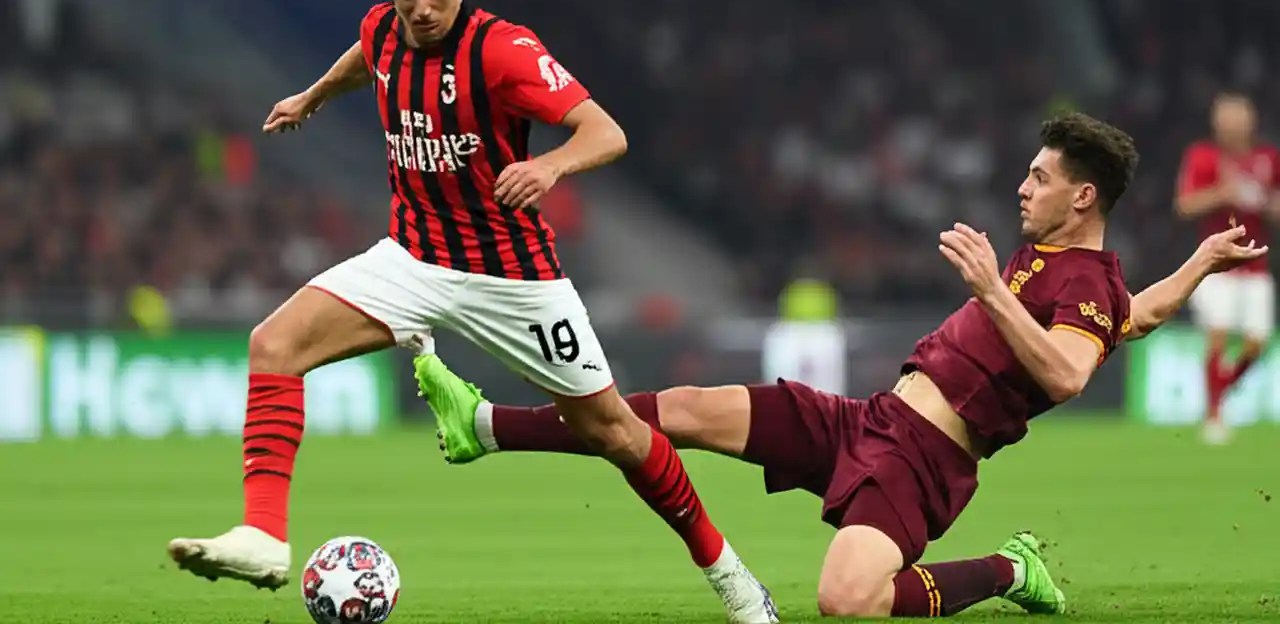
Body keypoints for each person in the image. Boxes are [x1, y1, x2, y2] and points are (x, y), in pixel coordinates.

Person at [166, 0, 776, 621]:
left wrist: (548, 165)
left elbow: (606, 132)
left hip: (513, 278)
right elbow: (369, 55)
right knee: (273, 344)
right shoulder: (383, 29)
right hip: (412, 258)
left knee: (613, 432)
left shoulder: (503, 50)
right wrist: (312, 97)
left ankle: (732, 579)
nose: (420, 9)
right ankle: (265, 536)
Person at [416, 112, 1267, 617]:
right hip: (870, 419)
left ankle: (1012, 568)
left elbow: (1072, 373)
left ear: (1083, 196)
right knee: (681, 408)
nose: (1022, 188)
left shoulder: (1075, 280)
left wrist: (987, 288)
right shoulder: (1072, 273)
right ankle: (485, 425)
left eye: (1039, 179)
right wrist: (1197, 265)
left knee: (847, 601)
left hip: (925, 460)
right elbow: (1136, 318)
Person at [1175, 92, 1279, 444]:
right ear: (1216, 124)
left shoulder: (1268, 158)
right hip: (1215, 264)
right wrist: (1223, 193)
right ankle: (1214, 414)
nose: (1232, 126)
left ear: (1250, 122)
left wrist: (1266, 203)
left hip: (1255, 262)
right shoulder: (1203, 156)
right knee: (1217, 335)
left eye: (1238, 119)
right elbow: (1186, 204)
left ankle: (1221, 393)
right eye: (1226, 119)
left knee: (1257, 343)